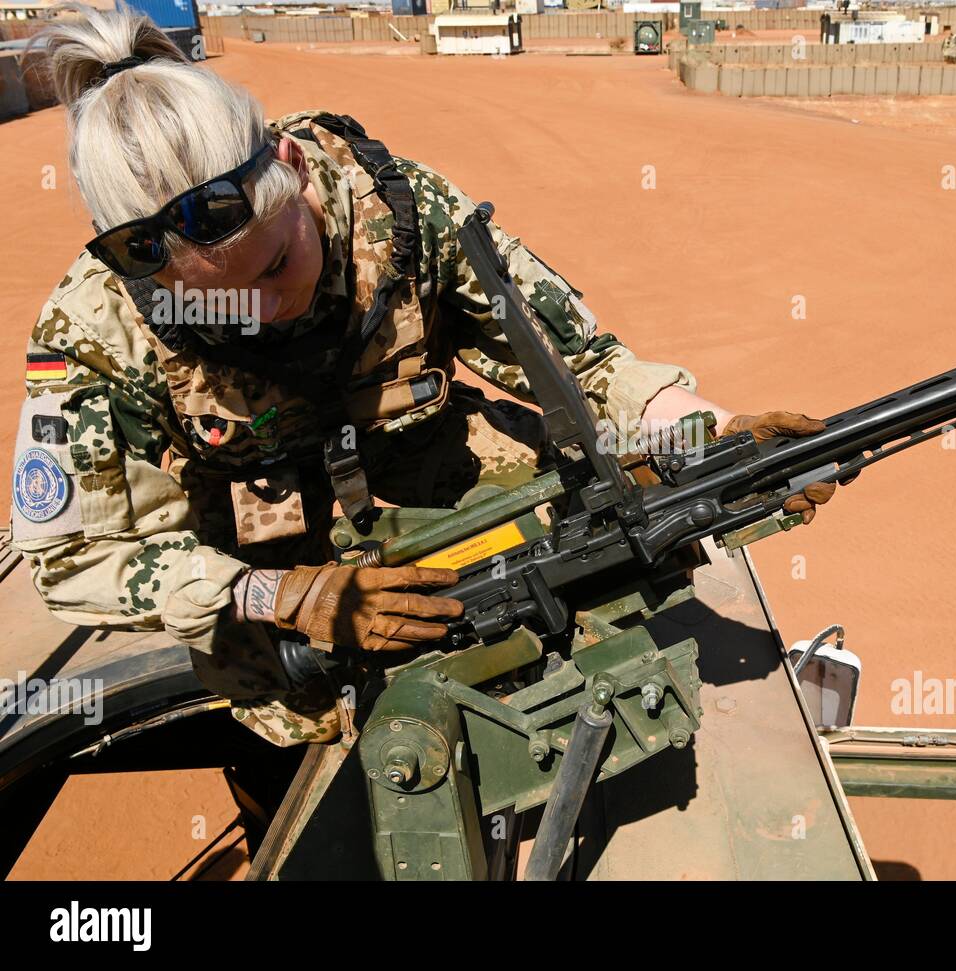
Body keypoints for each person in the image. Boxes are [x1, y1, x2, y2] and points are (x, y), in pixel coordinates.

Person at [11, 5, 837, 746]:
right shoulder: (97, 325)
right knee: (300, 766)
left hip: (444, 494)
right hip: (261, 587)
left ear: (294, 169)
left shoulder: (405, 210)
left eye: (273, 269)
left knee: (594, 565)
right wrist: (281, 597)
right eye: (216, 306)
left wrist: (707, 443)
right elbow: (76, 557)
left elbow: (585, 363)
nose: (261, 318)